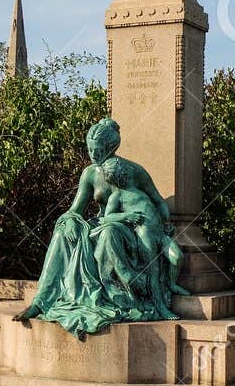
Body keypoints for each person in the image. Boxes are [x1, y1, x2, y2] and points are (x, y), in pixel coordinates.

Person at [14, 117, 184, 339]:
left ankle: (126, 287)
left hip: (129, 230)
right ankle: (41, 301)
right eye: (90, 149)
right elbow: (75, 209)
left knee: (109, 233)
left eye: (99, 150)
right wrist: (71, 221)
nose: (93, 154)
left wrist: (163, 223)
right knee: (62, 231)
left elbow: (157, 199)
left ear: (112, 147)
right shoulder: (90, 173)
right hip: (103, 223)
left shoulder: (133, 171)